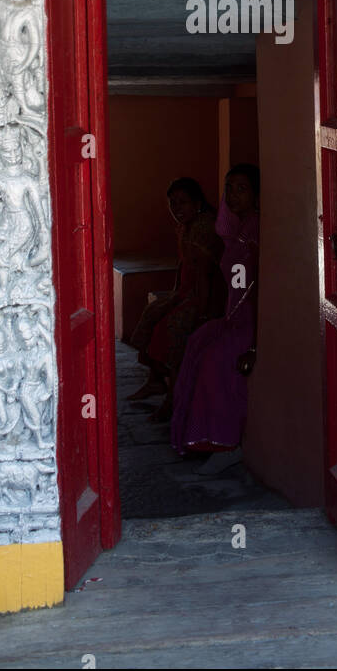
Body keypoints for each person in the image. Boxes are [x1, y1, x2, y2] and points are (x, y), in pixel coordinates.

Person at [171, 163, 260, 456]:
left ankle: (222, 441)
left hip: (249, 323)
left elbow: (258, 288)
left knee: (213, 361)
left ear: (256, 194)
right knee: (195, 345)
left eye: (242, 189)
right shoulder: (236, 231)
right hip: (232, 317)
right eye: (229, 188)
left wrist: (254, 346)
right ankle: (197, 437)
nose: (233, 195)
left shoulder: (256, 231)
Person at [127, 177, 225, 419]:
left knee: (172, 327)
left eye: (183, 202)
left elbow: (204, 274)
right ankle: (155, 380)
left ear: (197, 203)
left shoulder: (203, 228)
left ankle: (173, 398)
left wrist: (202, 313)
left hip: (207, 294)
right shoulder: (186, 226)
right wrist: (174, 294)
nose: (177, 208)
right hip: (187, 290)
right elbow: (184, 265)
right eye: (173, 203)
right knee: (151, 313)